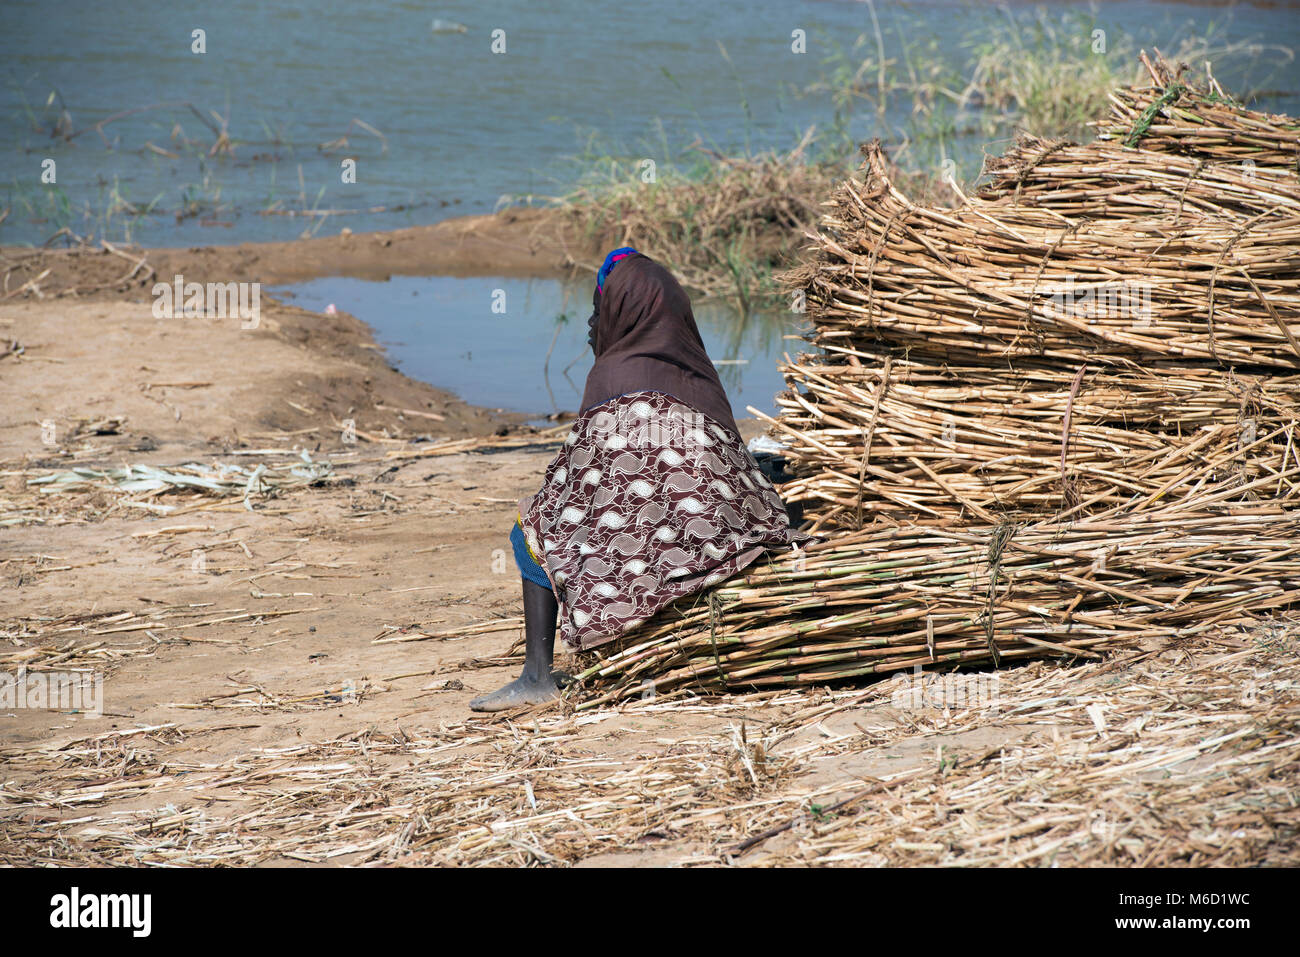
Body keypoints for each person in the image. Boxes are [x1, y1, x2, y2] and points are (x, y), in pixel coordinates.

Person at [469, 249, 806, 711]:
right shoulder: (697, 372)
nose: (592, 324)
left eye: (599, 310)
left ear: (624, 315)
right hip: (723, 539)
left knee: (533, 523)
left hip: (647, 554)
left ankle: (537, 678)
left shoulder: (614, 373)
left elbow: (578, 485)